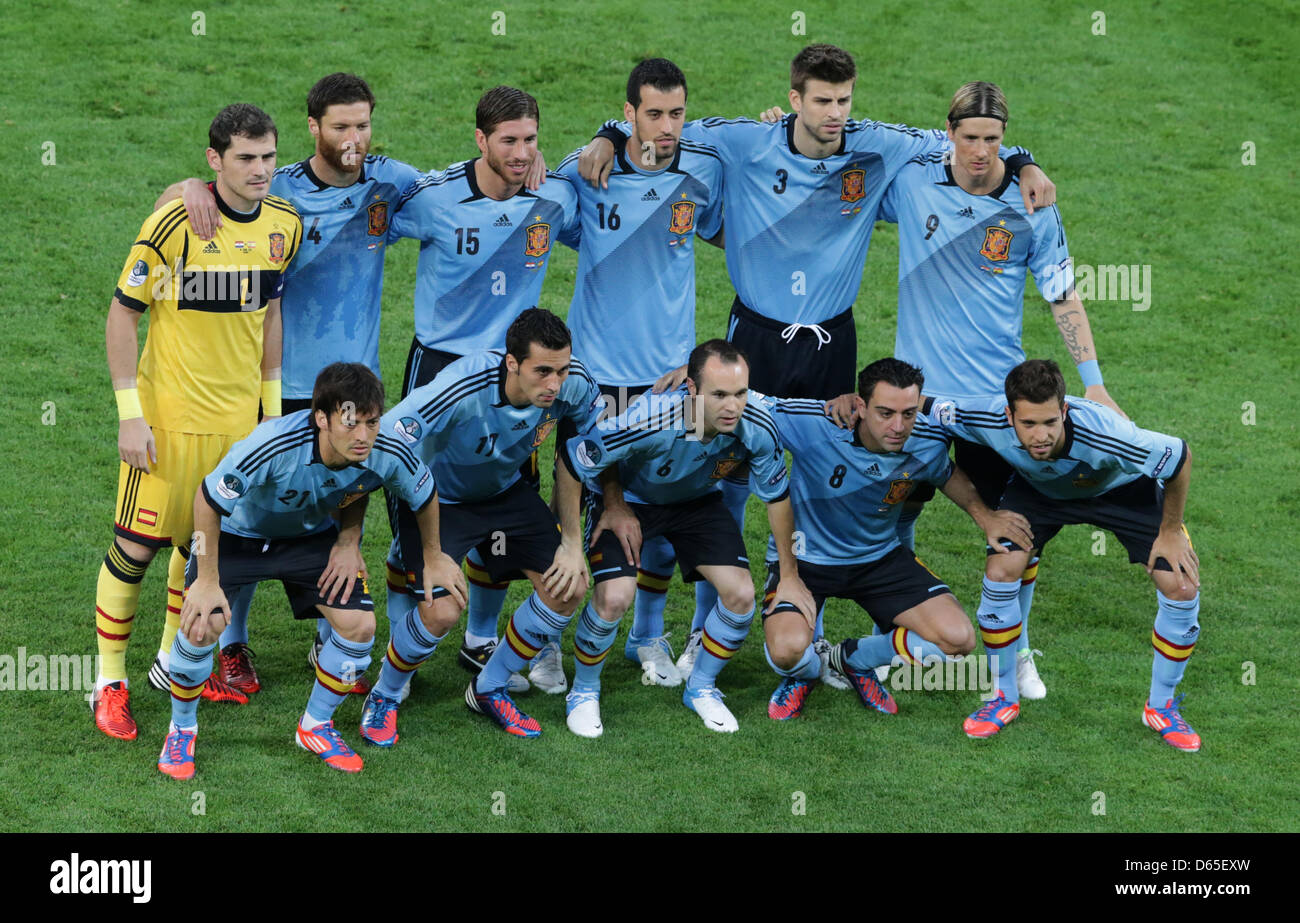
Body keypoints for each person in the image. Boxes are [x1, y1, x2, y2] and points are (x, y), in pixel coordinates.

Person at [579, 45, 1056, 675]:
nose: (836, 113)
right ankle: (686, 631)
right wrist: (611, 135)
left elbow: (961, 141)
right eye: (823, 100)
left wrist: (1022, 160)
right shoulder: (744, 140)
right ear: (796, 98)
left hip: (833, 340)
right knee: (716, 472)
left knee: (837, 465)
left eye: (844, 100)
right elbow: (665, 131)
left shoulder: (875, 145)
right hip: (753, 336)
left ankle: (814, 624)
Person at [156, 73, 424, 696]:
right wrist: (190, 184)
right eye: (340, 126)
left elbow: (475, 179)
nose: (353, 138)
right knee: (250, 509)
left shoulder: (392, 184)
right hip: (275, 381)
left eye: (363, 124)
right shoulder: (282, 192)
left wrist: (565, 152)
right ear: (313, 127)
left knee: (342, 489)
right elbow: (218, 192)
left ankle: (329, 634)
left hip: (353, 380)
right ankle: (232, 644)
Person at [874, 80, 1124, 701]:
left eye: (994, 140)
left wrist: (1094, 384)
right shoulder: (912, 179)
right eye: (970, 138)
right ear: (950, 134)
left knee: (1016, 528)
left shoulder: (1031, 205)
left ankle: (1017, 654)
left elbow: (1062, 293)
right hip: (919, 399)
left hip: (994, 405)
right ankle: (895, 639)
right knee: (891, 518)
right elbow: (842, 147)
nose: (982, 151)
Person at [92, 103, 300, 741]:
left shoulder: (284, 226)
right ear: (215, 160)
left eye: (268, 157)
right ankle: (108, 683)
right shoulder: (176, 222)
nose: (260, 170)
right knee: (135, 551)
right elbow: (122, 315)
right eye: (245, 158)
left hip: (236, 428)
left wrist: (270, 411)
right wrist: (131, 416)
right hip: (168, 424)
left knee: (199, 550)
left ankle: (172, 663)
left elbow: (268, 318)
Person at [156, 362, 460, 778]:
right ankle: (181, 730)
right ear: (322, 418)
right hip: (237, 535)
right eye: (351, 423)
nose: (363, 435)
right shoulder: (273, 444)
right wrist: (206, 580)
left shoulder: (384, 449)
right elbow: (208, 500)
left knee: (359, 626)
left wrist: (430, 555)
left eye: (371, 423)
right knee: (199, 623)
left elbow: (421, 493)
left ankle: (315, 725)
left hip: (307, 538)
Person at [387, 86, 580, 696]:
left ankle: (480, 640)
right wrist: (193, 193)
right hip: (442, 364)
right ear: (480, 140)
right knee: (414, 504)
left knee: (508, 492)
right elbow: (363, 205)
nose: (522, 153)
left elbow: (618, 175)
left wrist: (605, 133)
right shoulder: (436, 198)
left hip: (518, 373)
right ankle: (403, 645)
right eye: (508, 141)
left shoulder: (554, 196)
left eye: (530, 139)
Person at [551, 58, 724, 687]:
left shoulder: (701, 165)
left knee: (661, 510)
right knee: (577, 509)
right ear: (629, 113)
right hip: (596, 376)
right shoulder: (588, 168)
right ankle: (547, 637)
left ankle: (647, 638)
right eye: (653, 113)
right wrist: (602, 136)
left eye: (677, 113)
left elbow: (728, 222)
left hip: (670, 377)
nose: (667, 125)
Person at [358, 309, 601, 745]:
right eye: (543, 371)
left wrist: (570, 541)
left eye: (561, 370)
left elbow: (577, 453)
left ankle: (489, 687)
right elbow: (388, 438)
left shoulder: (574, 384)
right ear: (512, 363)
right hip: (439, 499)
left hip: (503, 493)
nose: (555, 384)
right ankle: (385, 693)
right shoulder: (461, 386)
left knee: (570, 586)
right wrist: (431, 550)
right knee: (442, 610)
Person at [935, 360, 1201, 751]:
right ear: (1008, 415)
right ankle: (1002, 697)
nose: (1040, 436)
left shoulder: (1109, 434)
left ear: (1064, 411)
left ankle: (1162, 707)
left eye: (1049, 422)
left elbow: (1178, 455)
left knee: (1181, 585)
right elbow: (920, 407)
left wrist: (1171, 530)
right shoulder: (983, 415)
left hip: (1122, 493)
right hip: (1040, 494)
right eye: (1028, 424)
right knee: (1001, 570)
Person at [560, 339, 815, 736]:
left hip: (696, 502)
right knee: (613, 597)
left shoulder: (756, 424)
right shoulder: (653, 417)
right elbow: (574, 458)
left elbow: (778, 499)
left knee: (741, 595)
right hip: (633, 501)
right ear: (692, 391)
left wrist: (789, 574)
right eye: (719, 395)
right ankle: (583, 691)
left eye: (740, 393)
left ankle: (701, 687)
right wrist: (589, 527)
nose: (732, 406)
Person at [759, 359, 1031, 719]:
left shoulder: (927, 438)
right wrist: (693, 381)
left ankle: (854, 659)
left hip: (879, 558)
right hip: (806, 560)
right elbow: (747, 403)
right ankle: (804, 675)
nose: (898, 426)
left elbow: (946, 473)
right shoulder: (816, 423)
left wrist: (986, 518)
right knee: (787, 650)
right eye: (885, 413)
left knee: (956, 641)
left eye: (909, 413)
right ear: (859, 405)